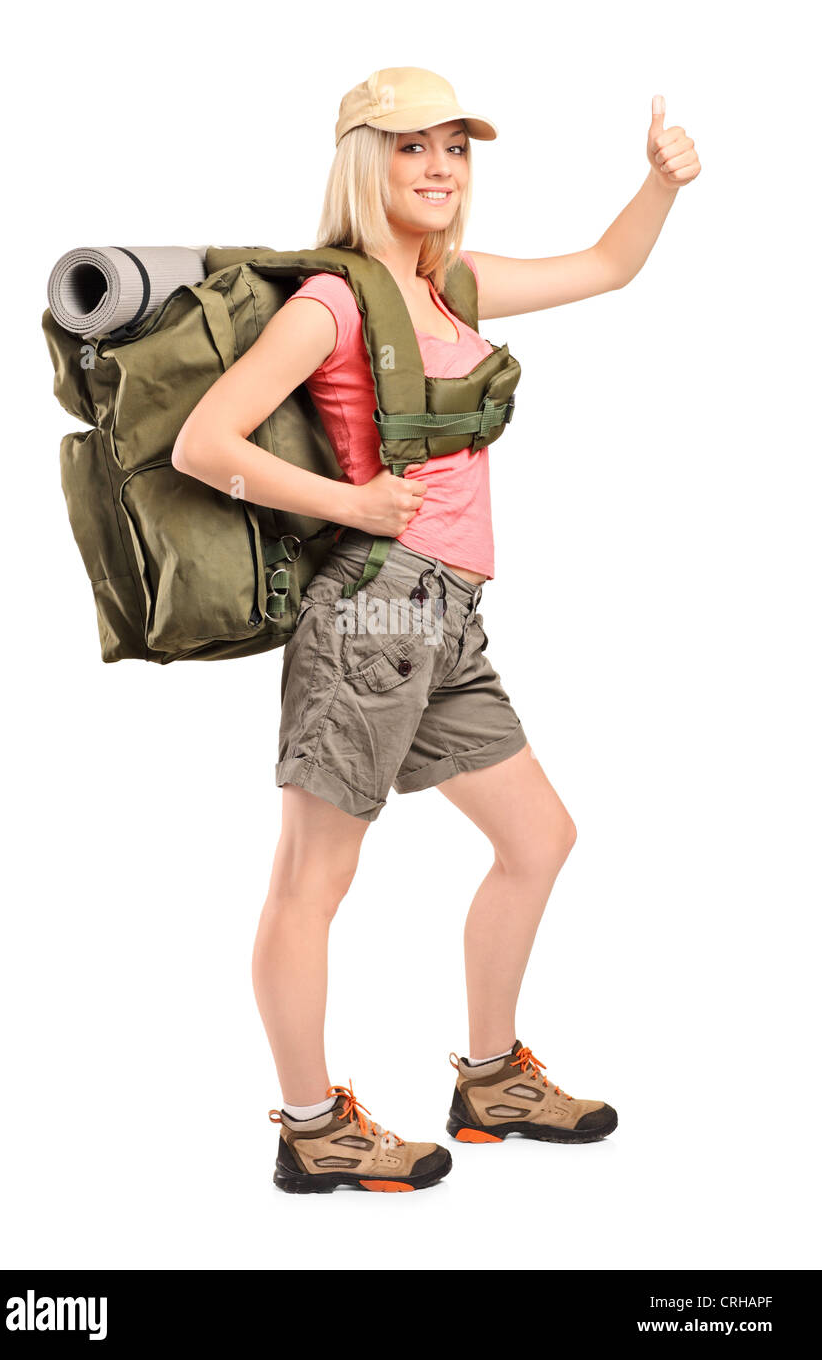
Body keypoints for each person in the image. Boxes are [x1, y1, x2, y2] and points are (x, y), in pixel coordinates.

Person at [171, 67, 701, 1193]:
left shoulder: (451, 285)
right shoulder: (334, 300)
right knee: (312, 881)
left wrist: (657, 183)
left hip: (444, 619)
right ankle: (312, 1127)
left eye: (456, 149)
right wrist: (350, 504)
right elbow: (204, 443)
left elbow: (604, 267)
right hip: (370, 606)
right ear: (366, 162)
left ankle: (490, 1077)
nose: (439, 168)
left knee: (537, 838)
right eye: (412, 147)